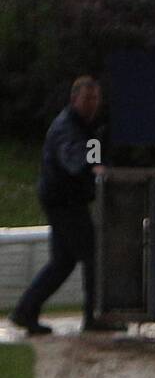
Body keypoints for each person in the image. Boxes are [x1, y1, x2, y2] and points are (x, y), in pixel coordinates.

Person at [8, 75, 115, 336]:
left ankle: (25, 311)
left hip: (63, 199)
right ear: (74, 99)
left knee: (63, 261)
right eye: (87, 99)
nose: (93, 104)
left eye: (95, 98)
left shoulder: (82, 125)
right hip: (64, 201)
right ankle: (93, 317)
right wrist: (92, 167)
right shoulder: (68, 128)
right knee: (93, 255)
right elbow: (73, 157)